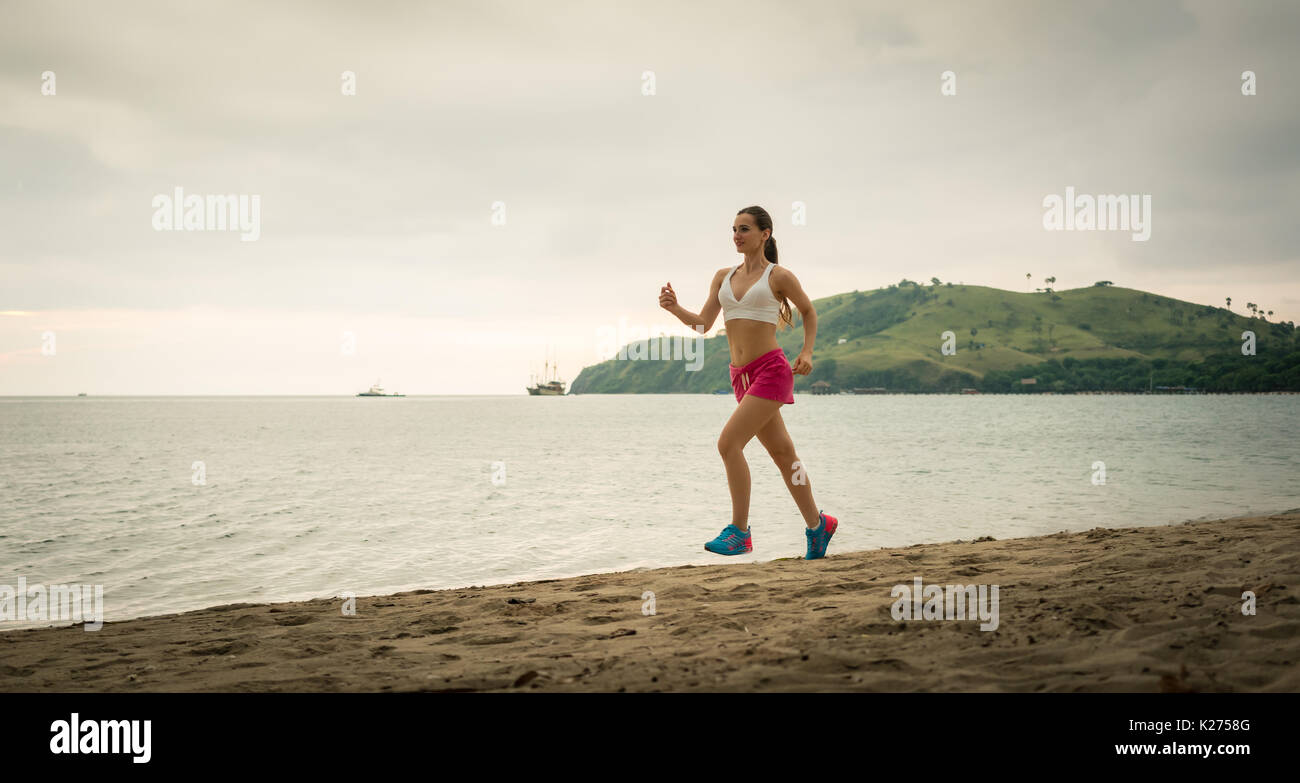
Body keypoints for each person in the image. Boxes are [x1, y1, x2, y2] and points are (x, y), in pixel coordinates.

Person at [658, 205, 839, 560]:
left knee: (728, 443)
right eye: (734, 229)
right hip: (740, 376)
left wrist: (807, 352)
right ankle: (819, 526)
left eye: (744, 229)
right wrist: (674, 308)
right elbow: (702, 325)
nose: (737, 235)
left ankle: (740, 532)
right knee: (784, 454)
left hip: (771, 370)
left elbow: (809, 311)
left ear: (764, 234)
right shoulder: (723, 276)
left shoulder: (778, 276)